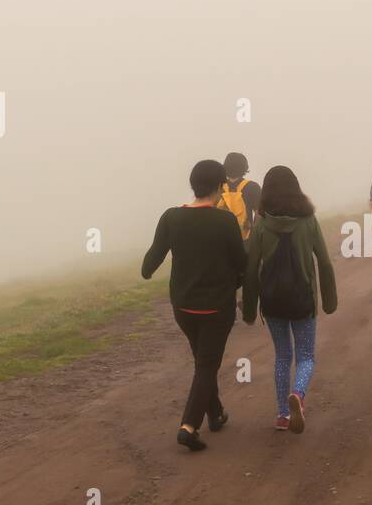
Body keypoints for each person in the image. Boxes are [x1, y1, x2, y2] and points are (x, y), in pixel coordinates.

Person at [142, 159, 247, 451]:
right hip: (216, 308)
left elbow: (149, 263)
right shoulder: (225, 221)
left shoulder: (170, 217)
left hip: (183, 307)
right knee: (206, 365)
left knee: (203, 362)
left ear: (193, 185)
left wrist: (150, 270)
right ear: (220, 186)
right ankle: (189, 426)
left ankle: (215, 414)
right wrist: (236, 285)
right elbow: (242, 264)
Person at [243, 166, 338, 433]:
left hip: (272, 300)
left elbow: (251, 269)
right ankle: (298, 394)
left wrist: (249, 310)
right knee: (306, 356)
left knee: (282, 355)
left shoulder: (261, 222)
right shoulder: (308, 219)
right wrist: (330, 301)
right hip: (302, 299)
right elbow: (325, 262)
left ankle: (283, 415)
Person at [216, 152, 261, 241]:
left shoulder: (218, 186)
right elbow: (258, 214)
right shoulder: (253, 186)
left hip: (219, 238)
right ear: (245, 167)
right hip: (245, 240)